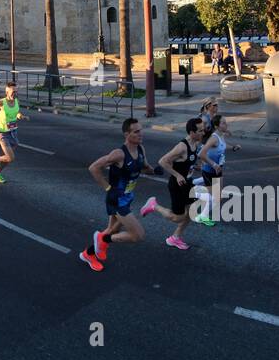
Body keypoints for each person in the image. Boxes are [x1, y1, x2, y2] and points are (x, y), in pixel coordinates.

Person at [78, 118, 164, 272]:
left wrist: (154, 170)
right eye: (136, 131)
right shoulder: (119, 154)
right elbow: (93, 168)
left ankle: (88, 254)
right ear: (127, 134)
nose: (140, 134)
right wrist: (108, 188)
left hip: (127, 197)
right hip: (116, 199)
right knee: (138, 235)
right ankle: (102, 239)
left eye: (141, 130)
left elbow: (143, 167)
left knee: (113, 230)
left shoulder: (140, 149)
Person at [140, 116, 204, 250]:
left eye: (203, 130)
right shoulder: (182, 147)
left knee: (191, 212)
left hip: (187, 183)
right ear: (192, 133)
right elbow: (162, 161)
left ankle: (175, 238)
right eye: (200, 131)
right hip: (177, 185)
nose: (203, 133)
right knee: (178, 218)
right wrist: (177, 175)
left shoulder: (195, 144)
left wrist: (195, 166)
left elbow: (187, 161)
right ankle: (154, 205)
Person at [0, 81, 24, 183]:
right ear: (7, 92)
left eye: (16, 91)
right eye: (13, 92)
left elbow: (16, 112)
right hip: (3, 134)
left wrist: (19, 115)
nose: (15, 94)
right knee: (10, 158)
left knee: (8, 158)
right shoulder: (1, 102)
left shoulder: (16, 101)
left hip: (13, 132)